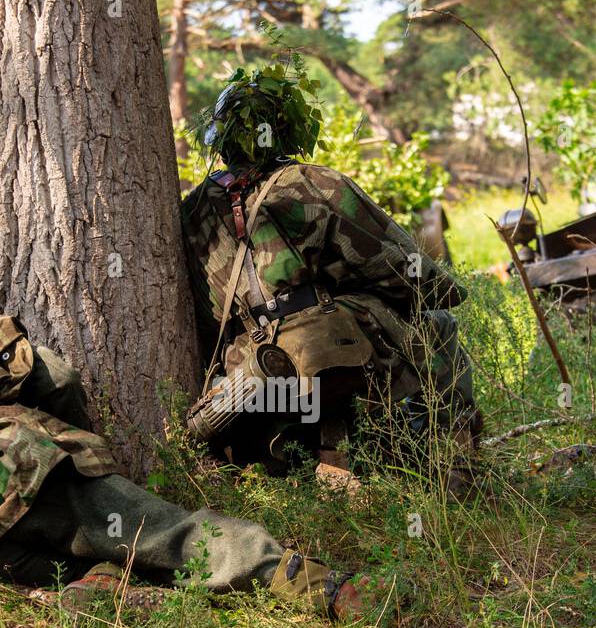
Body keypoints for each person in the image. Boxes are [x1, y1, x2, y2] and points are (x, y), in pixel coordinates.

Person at [0, 258, 370, 619]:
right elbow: (61, 378)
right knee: (171, 533)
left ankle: (97, 584)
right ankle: (318, 587)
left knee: (58, 565)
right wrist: (69, 443)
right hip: (19, 467)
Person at [180, 65, 481, 473]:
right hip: (322, 359)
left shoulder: (192, 207)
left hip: (245, 369)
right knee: (439, 325)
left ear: (219, 136)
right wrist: (440, 292)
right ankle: (457, 470)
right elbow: (399, 267)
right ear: (288, 131)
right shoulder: (313, 183)